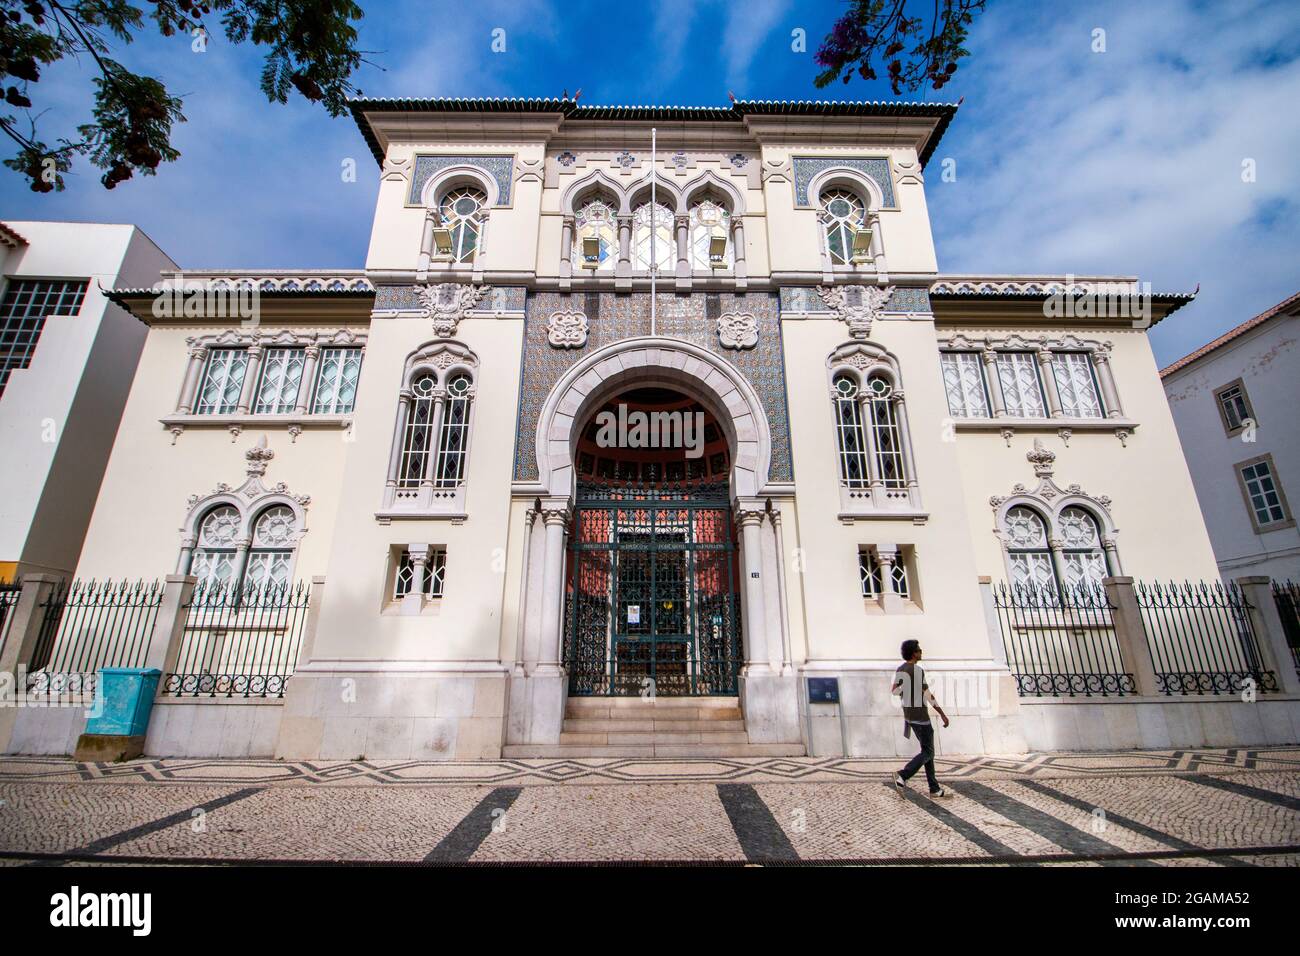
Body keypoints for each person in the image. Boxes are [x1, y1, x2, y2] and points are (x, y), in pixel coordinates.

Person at [892, 639, 950, 798]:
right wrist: (942, 714)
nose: (921, 651)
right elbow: (928, 695)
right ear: (913, 653)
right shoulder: (916, 670)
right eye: (918, 649)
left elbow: (894, 691)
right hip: (921, 717)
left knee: (927, 750)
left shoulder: (901, 669)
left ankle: (934, 788)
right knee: (928, 753)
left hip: (910, 717)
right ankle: (903, 775)